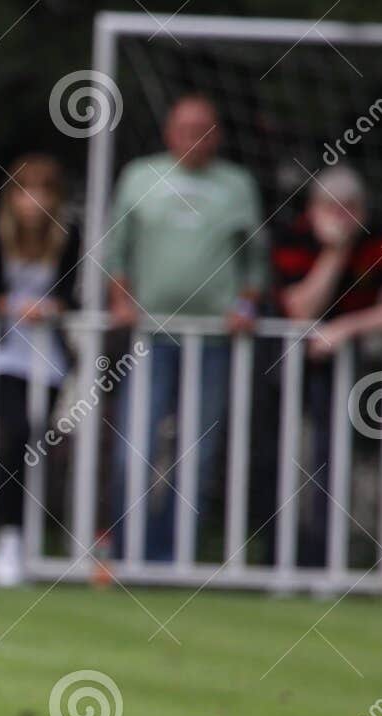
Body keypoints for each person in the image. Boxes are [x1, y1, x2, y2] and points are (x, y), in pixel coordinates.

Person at [104, 94, 265, 563]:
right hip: (148, 337)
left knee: (200, 450)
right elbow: (116, 251)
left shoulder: (238, 185)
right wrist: (121, 299)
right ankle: (126, 551)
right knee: (134, 447)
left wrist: (245, 305)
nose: (195, 138)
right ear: (168, 132)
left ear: (217, 135)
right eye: (185, 128)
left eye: (204, 129)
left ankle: (176, 557)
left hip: (214, 340)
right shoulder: (138, 177)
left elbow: (254, 263)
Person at [269, 164, 382, 567]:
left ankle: (344, 561)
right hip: (291, 372)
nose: (343, 217)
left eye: (350, 208)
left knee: (347, 464)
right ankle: (287, 560)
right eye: (332, 208)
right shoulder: (293, 235)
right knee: (288, 459)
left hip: (365, 371)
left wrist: (346, 328)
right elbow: (300, 309)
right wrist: (335, 252)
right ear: (314, 209)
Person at [0, 154, 81, 587]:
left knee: (44, 439)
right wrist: (9, 305)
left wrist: (52, 308)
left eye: (43, 190)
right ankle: (10, 538)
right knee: (14, 434)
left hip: (49, 358)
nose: (33, 201)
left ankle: (43, 536)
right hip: (4, 353)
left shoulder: (68, 236)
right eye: (26, 190)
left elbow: (72, 296)